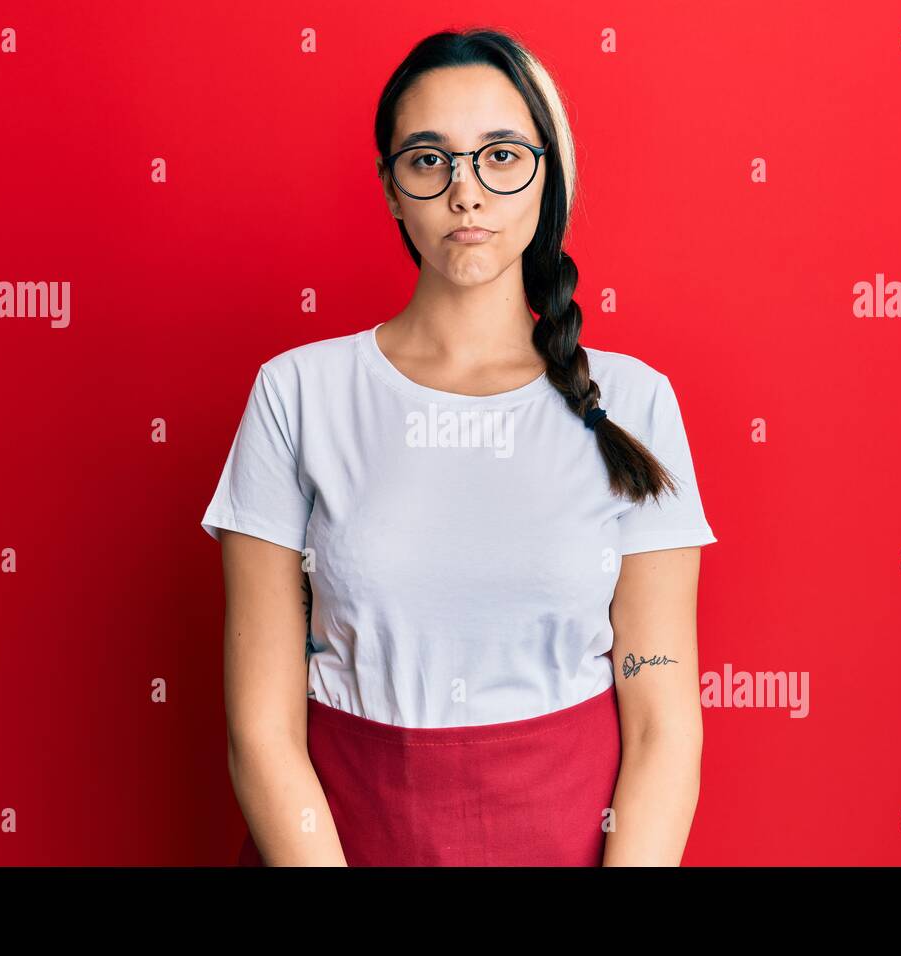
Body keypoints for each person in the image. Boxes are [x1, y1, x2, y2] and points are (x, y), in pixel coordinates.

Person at [202, 28, 717, 866]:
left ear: (546, 177)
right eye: (428, 160)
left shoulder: (636, 403)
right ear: (390, 188)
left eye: (501, 157)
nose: (466, 194)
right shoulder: (296, 393)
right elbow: (260, 729)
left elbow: (660, 716)